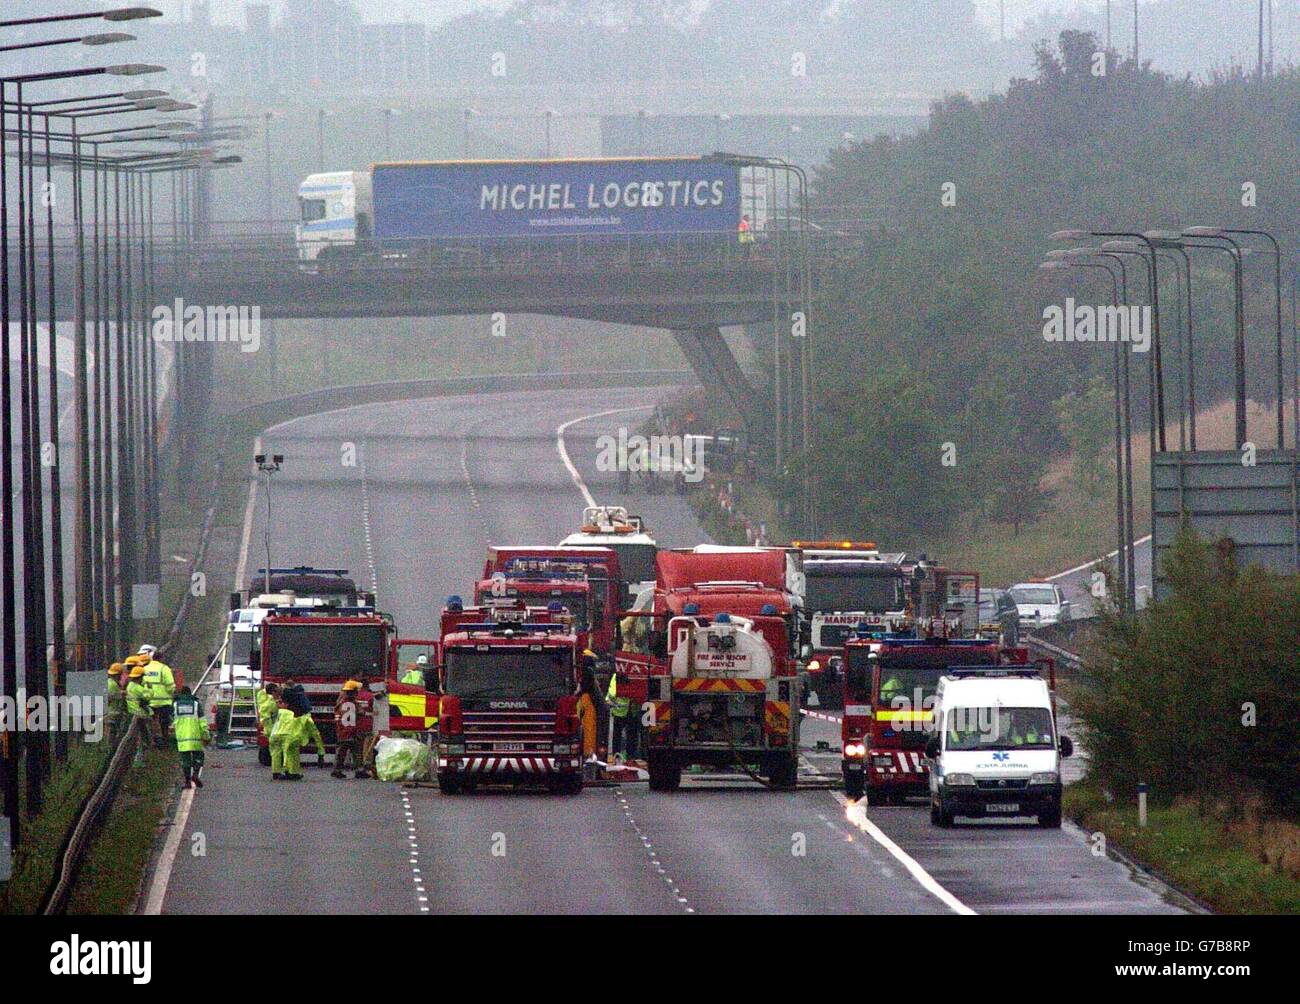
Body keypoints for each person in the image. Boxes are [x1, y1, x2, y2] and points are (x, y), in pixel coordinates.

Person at [172, 686, 211, 789]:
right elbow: (202, 723)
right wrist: (206, 736)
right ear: (190, 694)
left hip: (182, 738)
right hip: (195, 737)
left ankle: (187, 782)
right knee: (199, 757)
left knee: (185, 761)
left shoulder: (175, 705)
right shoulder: (196, 704)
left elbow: (172, 722)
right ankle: (195, 774)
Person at [332, 679, 372, 779]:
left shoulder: (340, 703)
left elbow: (337, 717)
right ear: (354, 692)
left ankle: (337, 770)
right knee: (357, 751)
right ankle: (359, 770)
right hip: (353, 731)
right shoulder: (354, 704)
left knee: (341, 752)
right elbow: (361, 713)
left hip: (342, 732)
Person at [138, 645, 176, 747]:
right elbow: (170, 685)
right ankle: (165, 741)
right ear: (161, 659)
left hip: (150, 701)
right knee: (164, 723)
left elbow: (140, 684)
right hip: (163, 701)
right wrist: (170, 694)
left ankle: (152, 741)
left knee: (150, 722)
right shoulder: (164, 668)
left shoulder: (145, 669)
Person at [606, 671, 638, 762]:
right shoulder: (615, 688)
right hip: (621, 714)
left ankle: (626, 756)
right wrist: (615, 704)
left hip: (628, 713)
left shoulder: (628, 687)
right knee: (621, 737)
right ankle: (620, 756)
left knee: (627, 737)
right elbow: (608, 699)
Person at [269, 696, 303, 781]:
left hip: (274, 735)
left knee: (276, 754)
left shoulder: (276, 712)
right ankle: (292, 773)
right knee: (291, 754)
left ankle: (276, 773)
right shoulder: (292, 713)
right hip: (287, 735)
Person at [576, 653, 602, 761]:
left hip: (586, 702)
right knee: (589, 728)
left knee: (587, 728)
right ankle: (589, 752)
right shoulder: (590, 673)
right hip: (591, 703)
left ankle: (588, 752)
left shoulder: (584, 673)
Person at [125, 664, 155, 740]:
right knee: (144, 732)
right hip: (139, 713)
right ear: (140, 677)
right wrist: (150, 687)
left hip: (132, 711)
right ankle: (148, 744)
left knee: (136, 734)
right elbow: (148, 697)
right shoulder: (137, 688)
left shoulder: (130, 685)